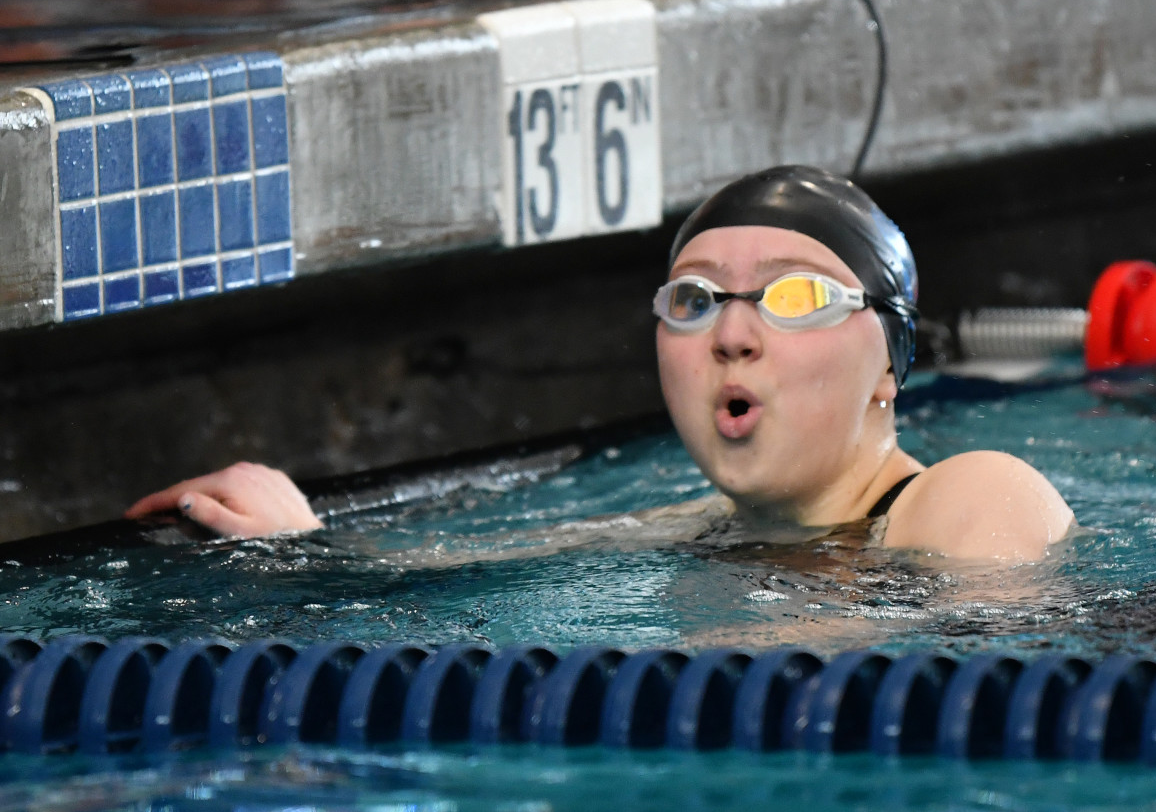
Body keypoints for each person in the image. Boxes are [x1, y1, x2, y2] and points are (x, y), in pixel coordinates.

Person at [126, 165, 1074, 564]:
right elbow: (441, 572)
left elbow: (995, 709)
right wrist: (303, 544)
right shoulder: (703, 529)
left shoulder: (973, 494)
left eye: (792, 297)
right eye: (694, 300)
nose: (731, 335)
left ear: (889, 365)